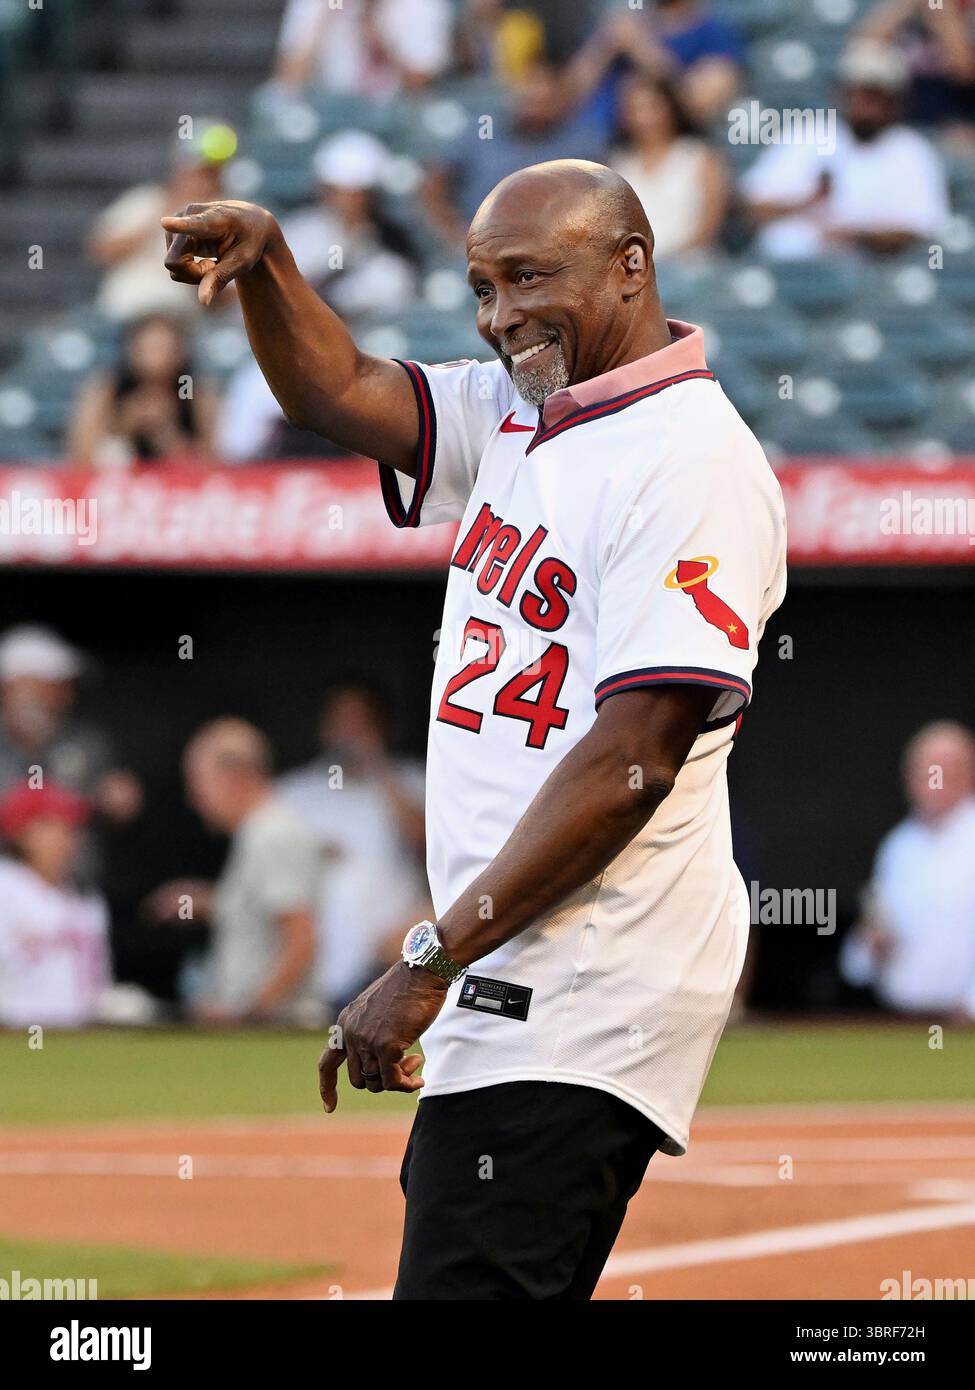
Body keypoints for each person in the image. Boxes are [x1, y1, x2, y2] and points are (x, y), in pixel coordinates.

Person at [161, 154, 787, 1299]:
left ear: (631, 263)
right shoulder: (522, 411)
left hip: (586, 976)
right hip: (520, 973)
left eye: (531, 278)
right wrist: (271, 265)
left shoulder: (693, 460)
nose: (503, 318)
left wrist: (431, 955)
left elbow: (635, 760)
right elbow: (333, 387)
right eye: (483, 288)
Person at [217, 131, 418, 462]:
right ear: (325, 191)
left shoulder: (388, 248)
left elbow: (392, 294)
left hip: (361, 350)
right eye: (340, 192)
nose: (348, 201)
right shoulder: (300, 233)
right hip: (294, 347)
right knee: (250, 401)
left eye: (358, 194)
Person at [146, 719, 321, 1026]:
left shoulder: (273, 835)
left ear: (235, 776)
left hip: (274, 1032)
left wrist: (247, 1014)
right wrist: (207, 901)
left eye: (198, 782)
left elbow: (301, 942)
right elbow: (264, 914)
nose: (194, 799)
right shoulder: (258, 833)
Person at [278, 680, 428, 1014]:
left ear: (383, 727)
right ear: (326, 727)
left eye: (362, 722)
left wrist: (378, 767)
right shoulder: (294, 791)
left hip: (390, 961)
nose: (351, 733)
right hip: (316, 963)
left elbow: (426, 844)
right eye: (343, 721)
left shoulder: (414, 779)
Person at [741, 41, 952, 258]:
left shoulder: (913, 151)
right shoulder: (808, 134)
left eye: (873, 95)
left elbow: (922, 229)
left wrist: (854, 234)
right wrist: (809, 201)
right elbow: (754, 209)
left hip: (874, 268)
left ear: (895, 101)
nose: (862, 104)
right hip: (794, 264)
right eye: (855, 93)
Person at [841, 721, 975, 1020]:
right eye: (919, 772)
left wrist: (970, 1007)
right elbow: (861, 954)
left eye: (940, 772)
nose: (929, 783)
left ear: (968, 775)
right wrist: (871, 944)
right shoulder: (898, 845)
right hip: (899, 1022)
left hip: (965, 1027)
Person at [0, 625, 142, 888]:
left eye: (65, 687)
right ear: (9, 687)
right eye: (49, 686)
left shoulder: (88, 743)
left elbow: (122, 806)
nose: (62, 697)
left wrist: (118, 801)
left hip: (74, 893)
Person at [423, 59, 608, 248]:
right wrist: (453, 233)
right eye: (529, 89)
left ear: (562, 100)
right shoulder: (485, 127)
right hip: (477, 244)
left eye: (542, 97)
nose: (533, 99)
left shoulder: (581, 141)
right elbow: (434, 184)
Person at [88, 121, 237, 322]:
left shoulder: (230, 218)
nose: (197, 180)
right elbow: (101, 252)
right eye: (192, 171)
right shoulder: (145, 199)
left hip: (180, 320)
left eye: (208, 173)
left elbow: (226, 296)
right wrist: (162, 215)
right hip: (121, 313)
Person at [0, 782, 111, 1029]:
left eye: (70, 827)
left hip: (80, 1036)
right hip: (14, 1035)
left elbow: (100, 977)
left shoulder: (87, 898)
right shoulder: (5, 887)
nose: (66, 837)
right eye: (51, 825)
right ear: (20, 832)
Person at [67, 314, 218, 469]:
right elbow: (81, 454)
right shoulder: (110, 387)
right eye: (150, 349)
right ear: (133, 351)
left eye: (164, 349)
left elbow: (214, 457)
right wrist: (126, 424)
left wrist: (167, 434)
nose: (156, 359)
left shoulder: (191, 389)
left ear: (179, 353)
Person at [610, 72, 728, 259]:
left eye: (651, 107)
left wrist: (672, 261)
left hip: (692, 265)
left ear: (670, 107)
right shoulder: (617, 166)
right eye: (634, 109)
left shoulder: (699, 157)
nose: (643, 118)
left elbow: (709, 225)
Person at [273, 0, 454, 97]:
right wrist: (326, 14)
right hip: (330, 116)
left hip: (396, 120)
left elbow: (421, 86)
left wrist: (380, 41)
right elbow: (289, 80)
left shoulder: (423, 5)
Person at [856, 0, 975, 135]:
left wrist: (942, 14)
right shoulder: (908, 12)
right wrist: (906, 6)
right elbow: (862, 49)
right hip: (904, 122)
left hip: (955, 122)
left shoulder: (967, 12)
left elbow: (965, 71)